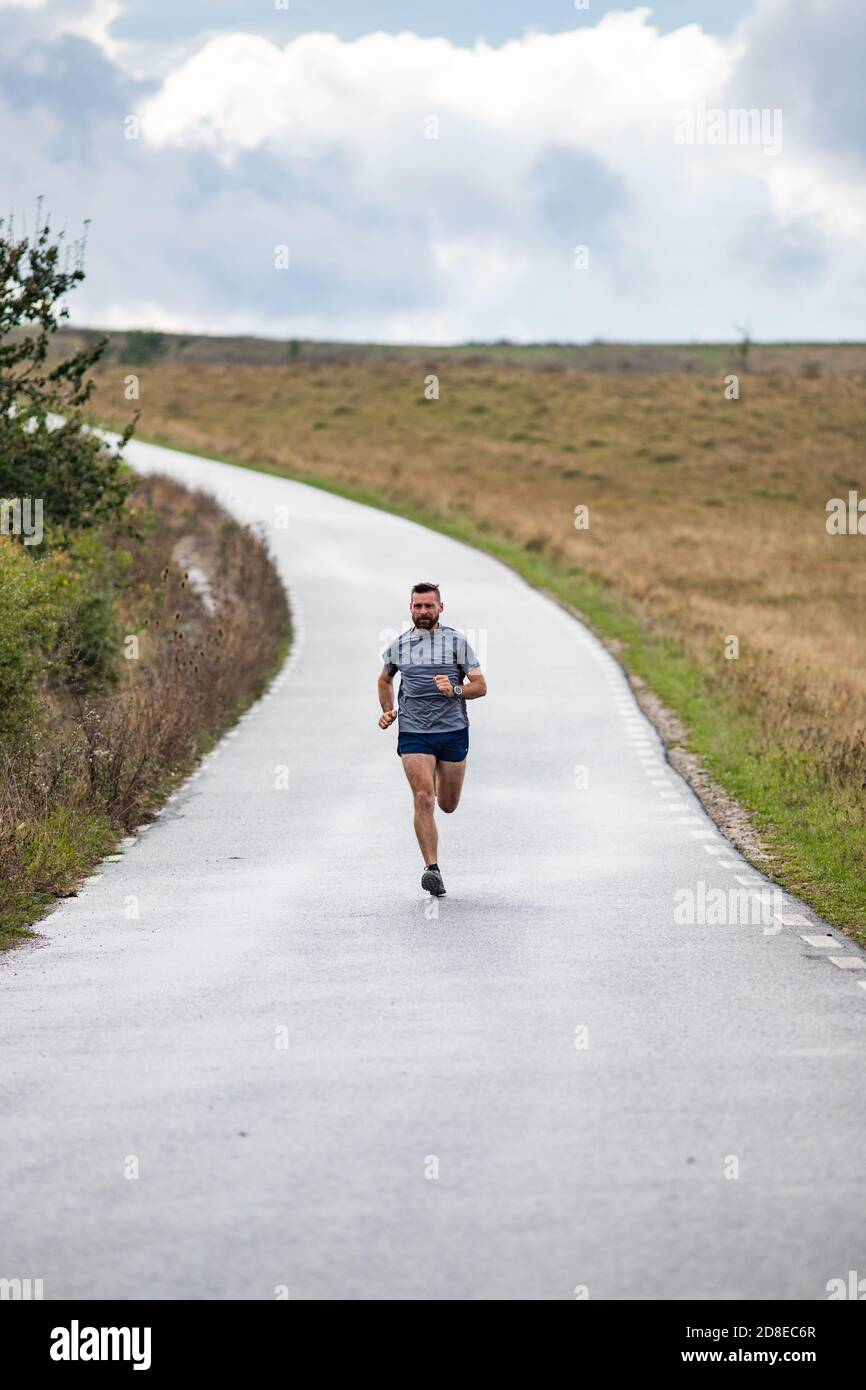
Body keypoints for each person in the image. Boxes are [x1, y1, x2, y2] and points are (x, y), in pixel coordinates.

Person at [378, 582, 487, 896]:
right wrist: (388, 710)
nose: (423, 612)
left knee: (448, 804)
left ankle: (437, 778)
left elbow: (480, 686)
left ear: (441, 608)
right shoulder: (398, 645)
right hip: (414, 732)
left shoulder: (457, 642)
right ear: (410, 609)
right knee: (424, 798)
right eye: (417, 606)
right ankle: (432, 869)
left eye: (428, 606)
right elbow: (384, 678)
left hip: (452, 731)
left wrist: (454, 689)